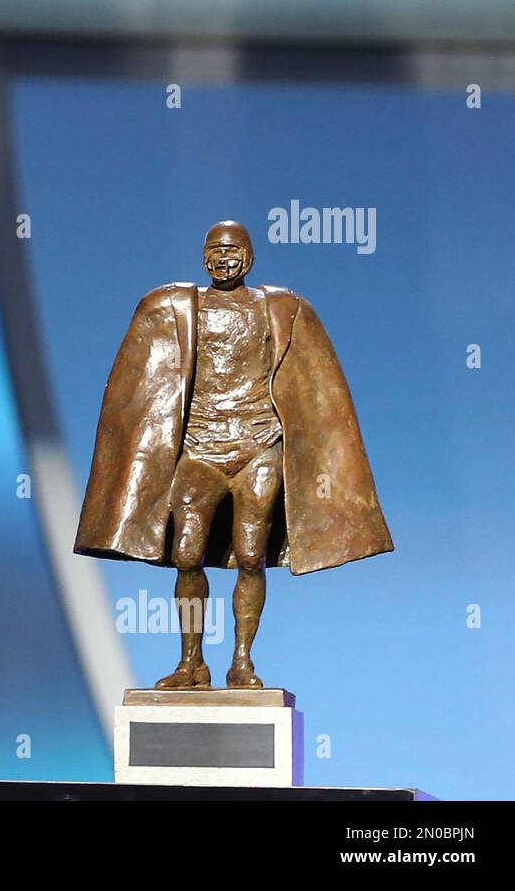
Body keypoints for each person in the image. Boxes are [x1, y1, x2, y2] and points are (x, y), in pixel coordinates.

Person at [73, 221, 392, 689]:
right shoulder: (178, 306)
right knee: (186, 555)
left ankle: (242, 660)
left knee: (250, 555)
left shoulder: (281, 308)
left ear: (251, 257)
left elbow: (320, 390)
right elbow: (136, 391)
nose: (224, 258)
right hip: (199, 447)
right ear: (204, 257)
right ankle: (191, 662)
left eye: (233, 250)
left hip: (258, 445)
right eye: (215, 250)